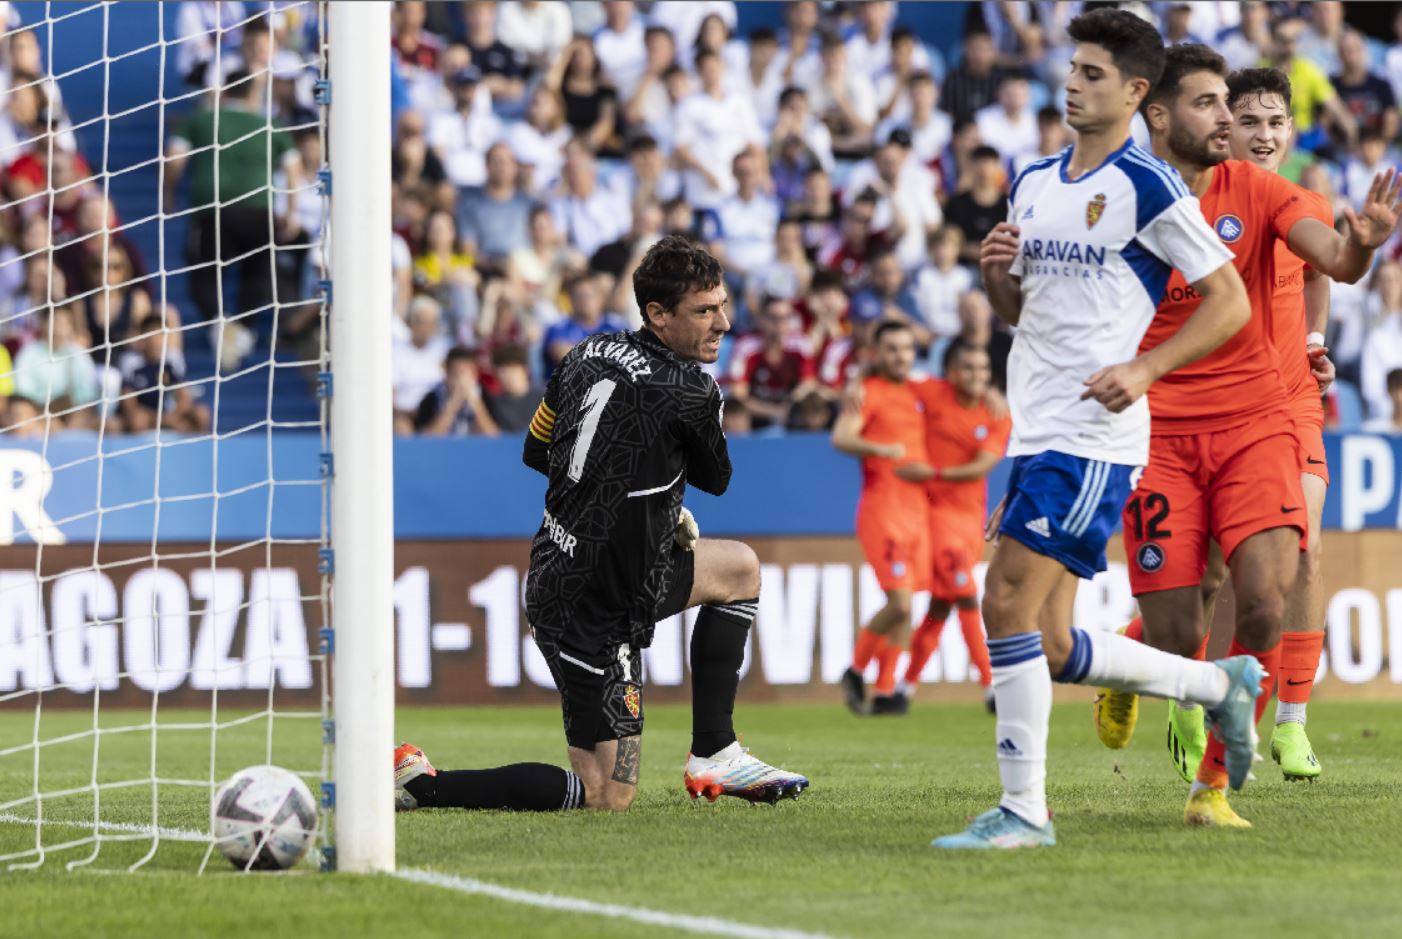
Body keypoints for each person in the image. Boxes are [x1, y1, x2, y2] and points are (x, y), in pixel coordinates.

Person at [932, 9, 1262, 851]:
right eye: (1072, 69)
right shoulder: (1034, 180)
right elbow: (1024, 312)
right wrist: (997, 277)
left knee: (1003, 599)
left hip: (1092, 435)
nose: (1071, 84)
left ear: (1135, 91)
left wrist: (1147, 369)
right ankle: (1216, 685)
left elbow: (1229, 300)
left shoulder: (1149, 185)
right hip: (1035, 429)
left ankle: (1024, 811)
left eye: (1091, 74)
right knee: (1046, 641)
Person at [394, 236, 809, 812]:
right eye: (704, 311)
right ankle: (425, 786)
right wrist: (660, 502)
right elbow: (717, 478)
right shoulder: (693, 389)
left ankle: (716, 751)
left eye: (722, 306)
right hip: (597, 612)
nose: (724, 324)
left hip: (567, 573)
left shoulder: (588, 351)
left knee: (738, 569)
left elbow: (537, 449)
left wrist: (649, 509)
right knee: (606, 796)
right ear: (658, 314)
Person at [1101, 46, 1401, 828]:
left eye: (1262, 117)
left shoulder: (1266, 191)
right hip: (1158, 432)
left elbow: (1331, 261)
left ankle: (1222, 778)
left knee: (1271, 588)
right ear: (1160, 114)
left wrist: (1363, 244)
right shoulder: (1116, 198)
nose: (1237, 125)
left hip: (1263, 416)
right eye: (1215, 106)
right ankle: (1131, 663)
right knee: (1181, 625)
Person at [898, 339, 1011, 714]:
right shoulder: (933, 392)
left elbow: (982, 466)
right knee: (966, 594)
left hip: (969, 519)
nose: (977, 376)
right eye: (968, 368)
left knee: (940, 605)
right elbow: (888, 377)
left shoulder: (997, 413)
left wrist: (932, 472)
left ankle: (904, 687)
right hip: (935, 518)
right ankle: (991, 687)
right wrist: (857, 380)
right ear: (951, 372)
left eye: (983, 370)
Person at [833, 320, 929, 716]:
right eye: (891, 348)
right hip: (883, 510)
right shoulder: (868, 392)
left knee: (910, 605)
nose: (900, 356)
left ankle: (887, 690)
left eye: (906, 348)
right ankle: (856, 669)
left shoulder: (921, 390)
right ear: (877, 353)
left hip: (918, 511)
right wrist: (881, 449)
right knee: (900, 604)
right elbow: (842, 437)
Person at [117, 311, 210, 434]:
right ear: (142, 337)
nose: (155, 340)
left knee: (202, 414)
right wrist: (162, 420)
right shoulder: (130, 361)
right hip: (147, 417)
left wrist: (173, 417)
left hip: (170, 415)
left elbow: (184, 398)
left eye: (159, 334)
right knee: (138, 420)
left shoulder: (172, 359)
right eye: (151, 334)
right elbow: (129, 405)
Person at [413, 344, 499, 437]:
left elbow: (493, 436)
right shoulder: (432, 398)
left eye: (466, 373)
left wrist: (475, 403)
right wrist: (453, 403)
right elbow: (426, 438)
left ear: (474, 373)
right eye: (456, 373)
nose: (461, 379)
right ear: (447, 374)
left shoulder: (486, 396)